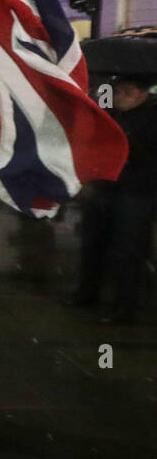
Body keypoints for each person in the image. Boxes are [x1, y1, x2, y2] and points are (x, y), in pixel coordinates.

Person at [70, 74, 157, 324]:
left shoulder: (153, 114)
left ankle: (125, 306)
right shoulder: (109, 109)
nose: (119, 97)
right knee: (93, 244)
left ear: (142, 93)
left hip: (137, 193)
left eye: (126, 92)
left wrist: (124, 140)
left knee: (129, 250)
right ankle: (86, 292)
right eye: (117, 91)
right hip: (104, 188)